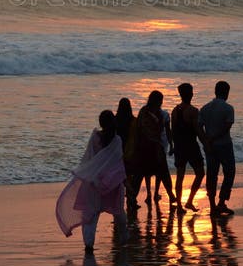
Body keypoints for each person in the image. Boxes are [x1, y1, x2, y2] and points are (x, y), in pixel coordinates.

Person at [55, 110, 128, 254]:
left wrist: (87, 176)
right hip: (112, 183)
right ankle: (123, 240)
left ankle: (89, 244)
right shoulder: (117, 140)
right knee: (118, 213)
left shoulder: (95, 138)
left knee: (91, 216)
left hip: (94, 182)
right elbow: (118, 163)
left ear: (100, 123)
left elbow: (88, 159)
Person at [133, 91, 177, 207]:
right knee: (161, 172)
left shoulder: (146, 112)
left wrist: (171, 145)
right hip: (153, 148)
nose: (161, 102)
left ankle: (133, 198)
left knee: (143, 174)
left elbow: (139, 129)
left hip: (149, 147)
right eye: (160, 100)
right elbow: (140, 129)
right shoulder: (154, 113)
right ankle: (170, 195)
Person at [199, 81, 236, 216]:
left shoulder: (205, 108)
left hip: (210, 146)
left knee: (212, 174)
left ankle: (212, 205)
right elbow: (227, 127)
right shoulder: (228, 108)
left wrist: (206, 141)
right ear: (226, 93)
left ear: (215, 91)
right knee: (229, 172)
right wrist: (213, 138)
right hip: (224, 144)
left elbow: (199, 127)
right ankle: (221, 202)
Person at [171, 83, 205, 212]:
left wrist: (173, 146)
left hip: (179, 147)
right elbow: (198, 131)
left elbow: (173, 130)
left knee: (180, 176)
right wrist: (206, 144)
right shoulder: (193, 111)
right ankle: (189, 201)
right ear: (191, 94)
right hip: (191, 146)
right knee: (200, 173)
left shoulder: (175, 111)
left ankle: (179, 205)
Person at [116, 97, 139, 210]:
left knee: (120, 179)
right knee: (130, 177)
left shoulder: (115, 121)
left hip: (117, 153)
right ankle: (131, 200)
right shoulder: (133, 121)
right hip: (130, 152)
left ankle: (119, 203)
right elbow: (137, 138)